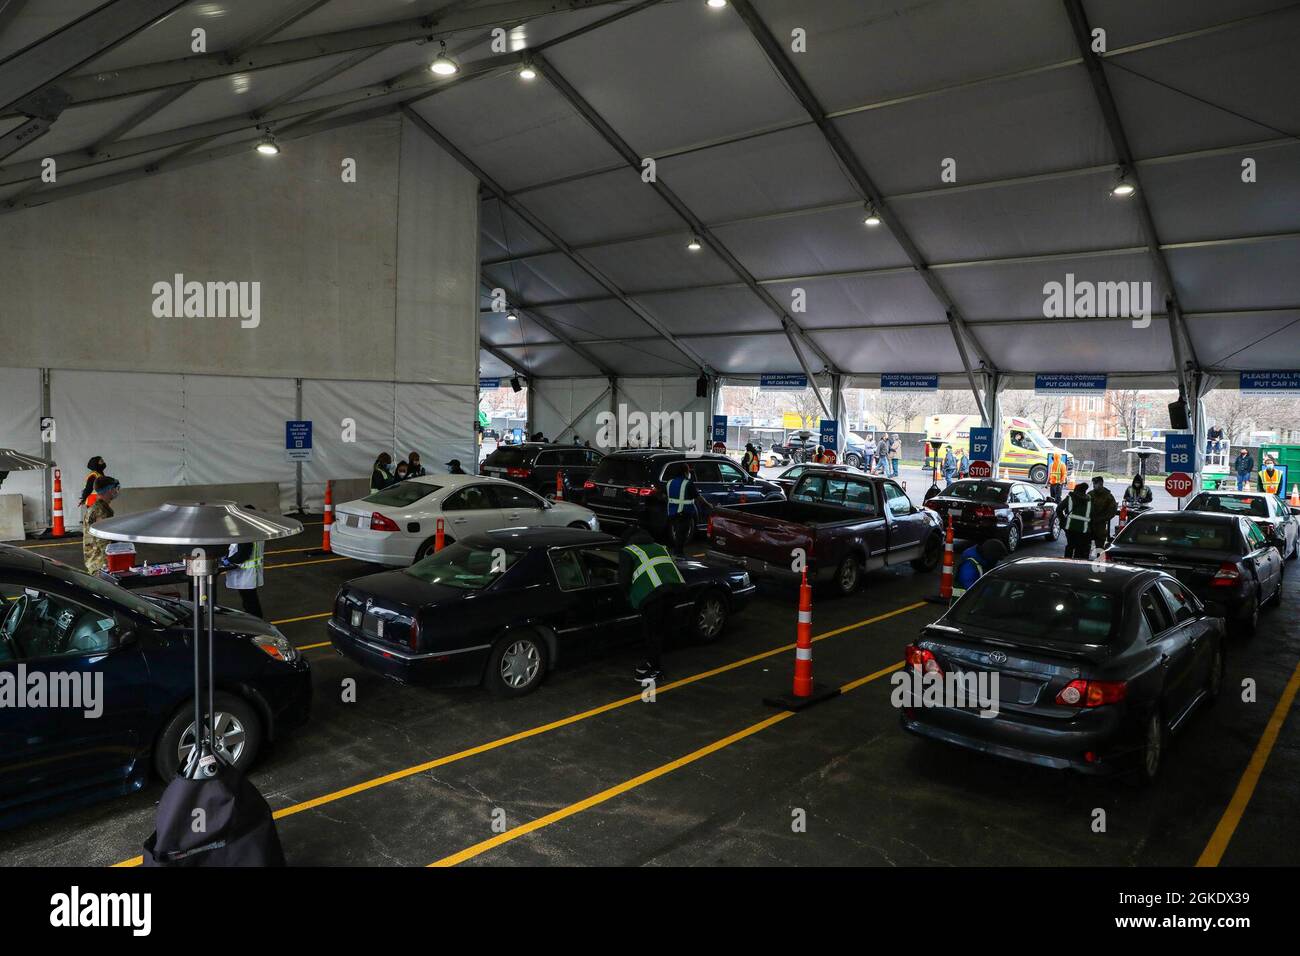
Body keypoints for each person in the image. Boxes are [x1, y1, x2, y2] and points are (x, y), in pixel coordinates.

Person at [619, 528, 686, 684]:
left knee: (652, 633)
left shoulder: (628, 551)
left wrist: (629, 597)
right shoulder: (660, 547)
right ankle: (651, 663)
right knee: (658, 631)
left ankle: (655, 670)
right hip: (673, 592)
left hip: (652, 596)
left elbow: (623, 580)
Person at [222, 505, 265, 618]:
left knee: (250, 602)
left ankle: (257, 624)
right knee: (250, 601)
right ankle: (256, 621)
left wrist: (229, 560)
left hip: (245, 573)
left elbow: (243, 554)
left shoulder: (246, 531)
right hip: (251, 572)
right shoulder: (257, 529)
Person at [82, 476, 120, 574]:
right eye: (115, 488)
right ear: (110, 490)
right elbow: (104, 541)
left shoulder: (97, 507)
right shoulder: (101, 511)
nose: (116, 491)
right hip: (101, 564)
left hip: (95, 561)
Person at [951, 538, 1008, 603]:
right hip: (963, 604)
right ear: (990, 556)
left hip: (973, 603)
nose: (997, 561)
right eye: (996, 559)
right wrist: (994, 594)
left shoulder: (983, 561)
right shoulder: (969, 566)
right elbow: (972, 588)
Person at [665, 463, 700, 556]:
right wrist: (708, 505)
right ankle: (679, 555)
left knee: (677, 533)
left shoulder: (670, 482)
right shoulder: (688, 483)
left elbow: (664, 495)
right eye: (688, 470)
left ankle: (676, 553)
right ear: (685, 472)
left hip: (672, 512)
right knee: (682, 534)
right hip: (684, 512)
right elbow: (697, 496)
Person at [1059, 482, 1093, 559]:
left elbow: (1059, 509)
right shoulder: (1090, 501)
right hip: (1084, 529)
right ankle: (1076, 563)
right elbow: (1093, 515)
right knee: (1079, 548)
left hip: (1070, 527)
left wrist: (1063, 520)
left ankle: (1067, 562)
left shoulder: (1070, 498)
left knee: (1070, 546)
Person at [1089, 475, 1118, 550]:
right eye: (1093, 483)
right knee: (1086, 546)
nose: (1094, 485)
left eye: (1095, 483)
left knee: (1099, 547)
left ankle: (1099, 557)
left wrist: (1103, 518)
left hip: (1100, 525)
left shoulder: (1108, 496)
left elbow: (1113, 510)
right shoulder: (1090, 494)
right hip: (1089, 523)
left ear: (1101, 484)